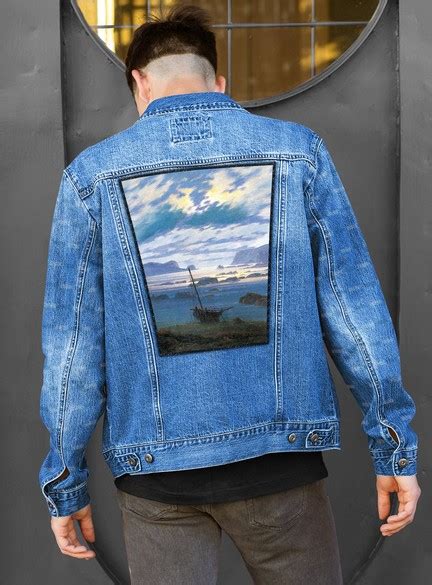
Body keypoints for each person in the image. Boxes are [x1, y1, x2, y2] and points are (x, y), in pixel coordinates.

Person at [38, 3, 421, 584]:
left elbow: (72, 354)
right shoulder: (298, 152)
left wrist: (64, 482)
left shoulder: (90, 178)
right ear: (219, 82)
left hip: (156, 476)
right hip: (280, 467)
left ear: (140, 83)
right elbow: (355, 315)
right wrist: (394, 447)